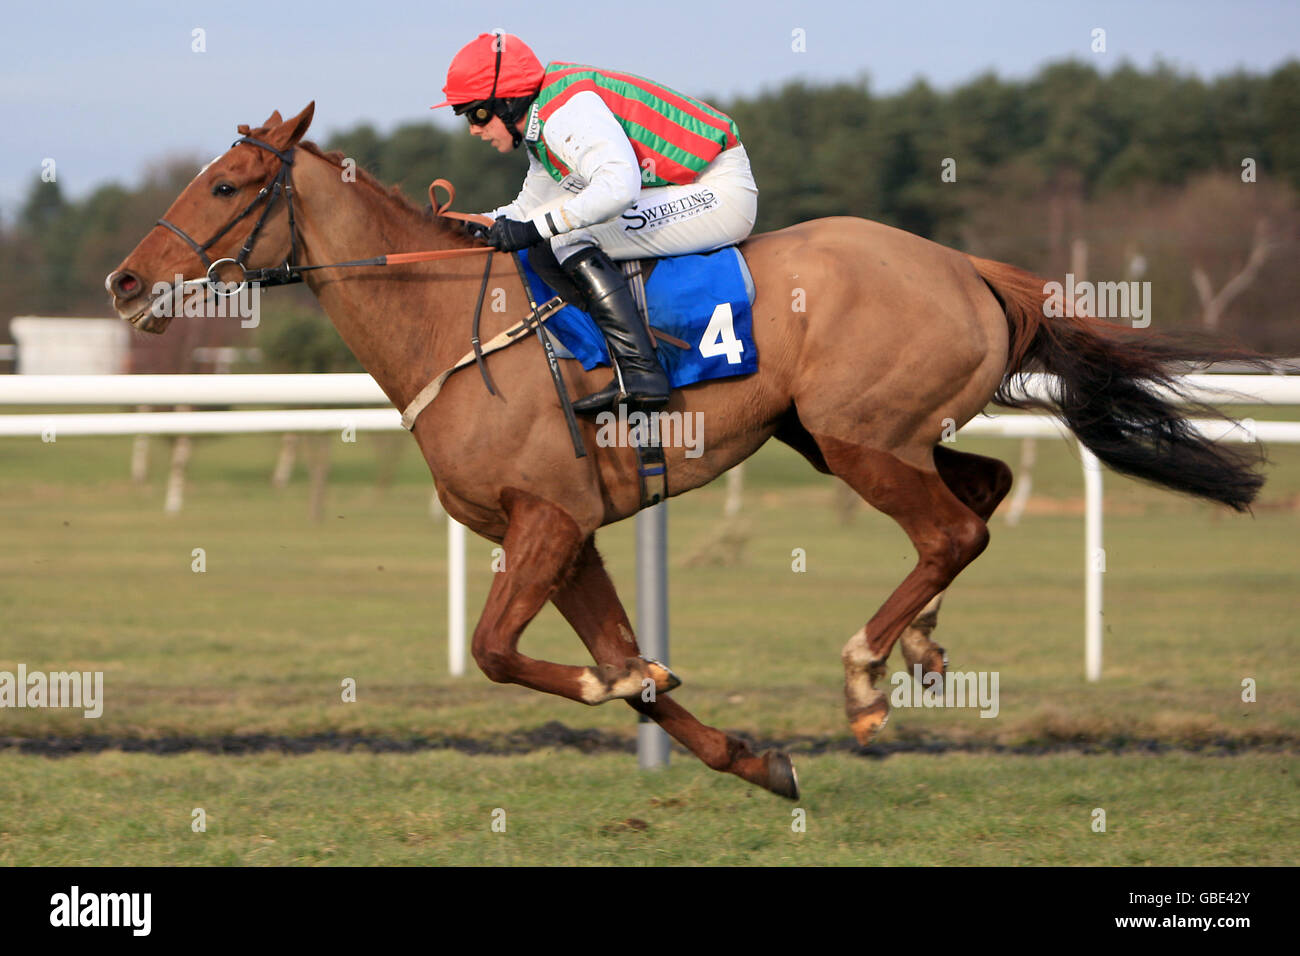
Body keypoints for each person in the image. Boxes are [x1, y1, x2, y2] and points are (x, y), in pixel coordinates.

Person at [432, 31, 758, 414]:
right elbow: (528, 209)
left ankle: (641, 374)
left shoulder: (565, 114)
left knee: (564, 237)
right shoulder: (545, 123)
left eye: (477, 113)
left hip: (719, 190)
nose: (473, 128)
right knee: (553, 230)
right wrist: (471, 225)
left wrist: (534, 229)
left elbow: (618, 188)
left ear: (506, 101)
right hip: (693, 185)